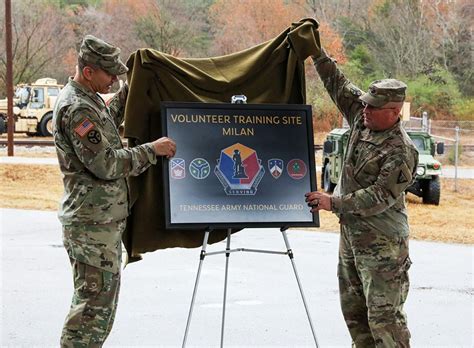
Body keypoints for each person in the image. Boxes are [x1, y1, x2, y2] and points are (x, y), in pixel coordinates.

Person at [52, 35, 176, 347]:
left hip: (100, 225)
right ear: (89, 71)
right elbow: (105, 163)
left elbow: (111, 116)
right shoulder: (77, 109)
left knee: (99, 310)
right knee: (90, 312)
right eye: (110, 74)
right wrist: (153, 150)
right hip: (90, 227)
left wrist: (135, 81)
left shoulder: (90, 100)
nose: (114, 80)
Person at [305, 45, 418, 347]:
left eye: (373, 107)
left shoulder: (401, 149)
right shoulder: (362, 117)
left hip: (383, 245)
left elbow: (381, 195)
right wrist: (317, 52)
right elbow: (338, 84)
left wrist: (333, 203)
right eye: (365, 104)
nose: (364, 109)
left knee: (385, 319)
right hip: (352, 237)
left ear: (394, 112)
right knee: (355, 313)